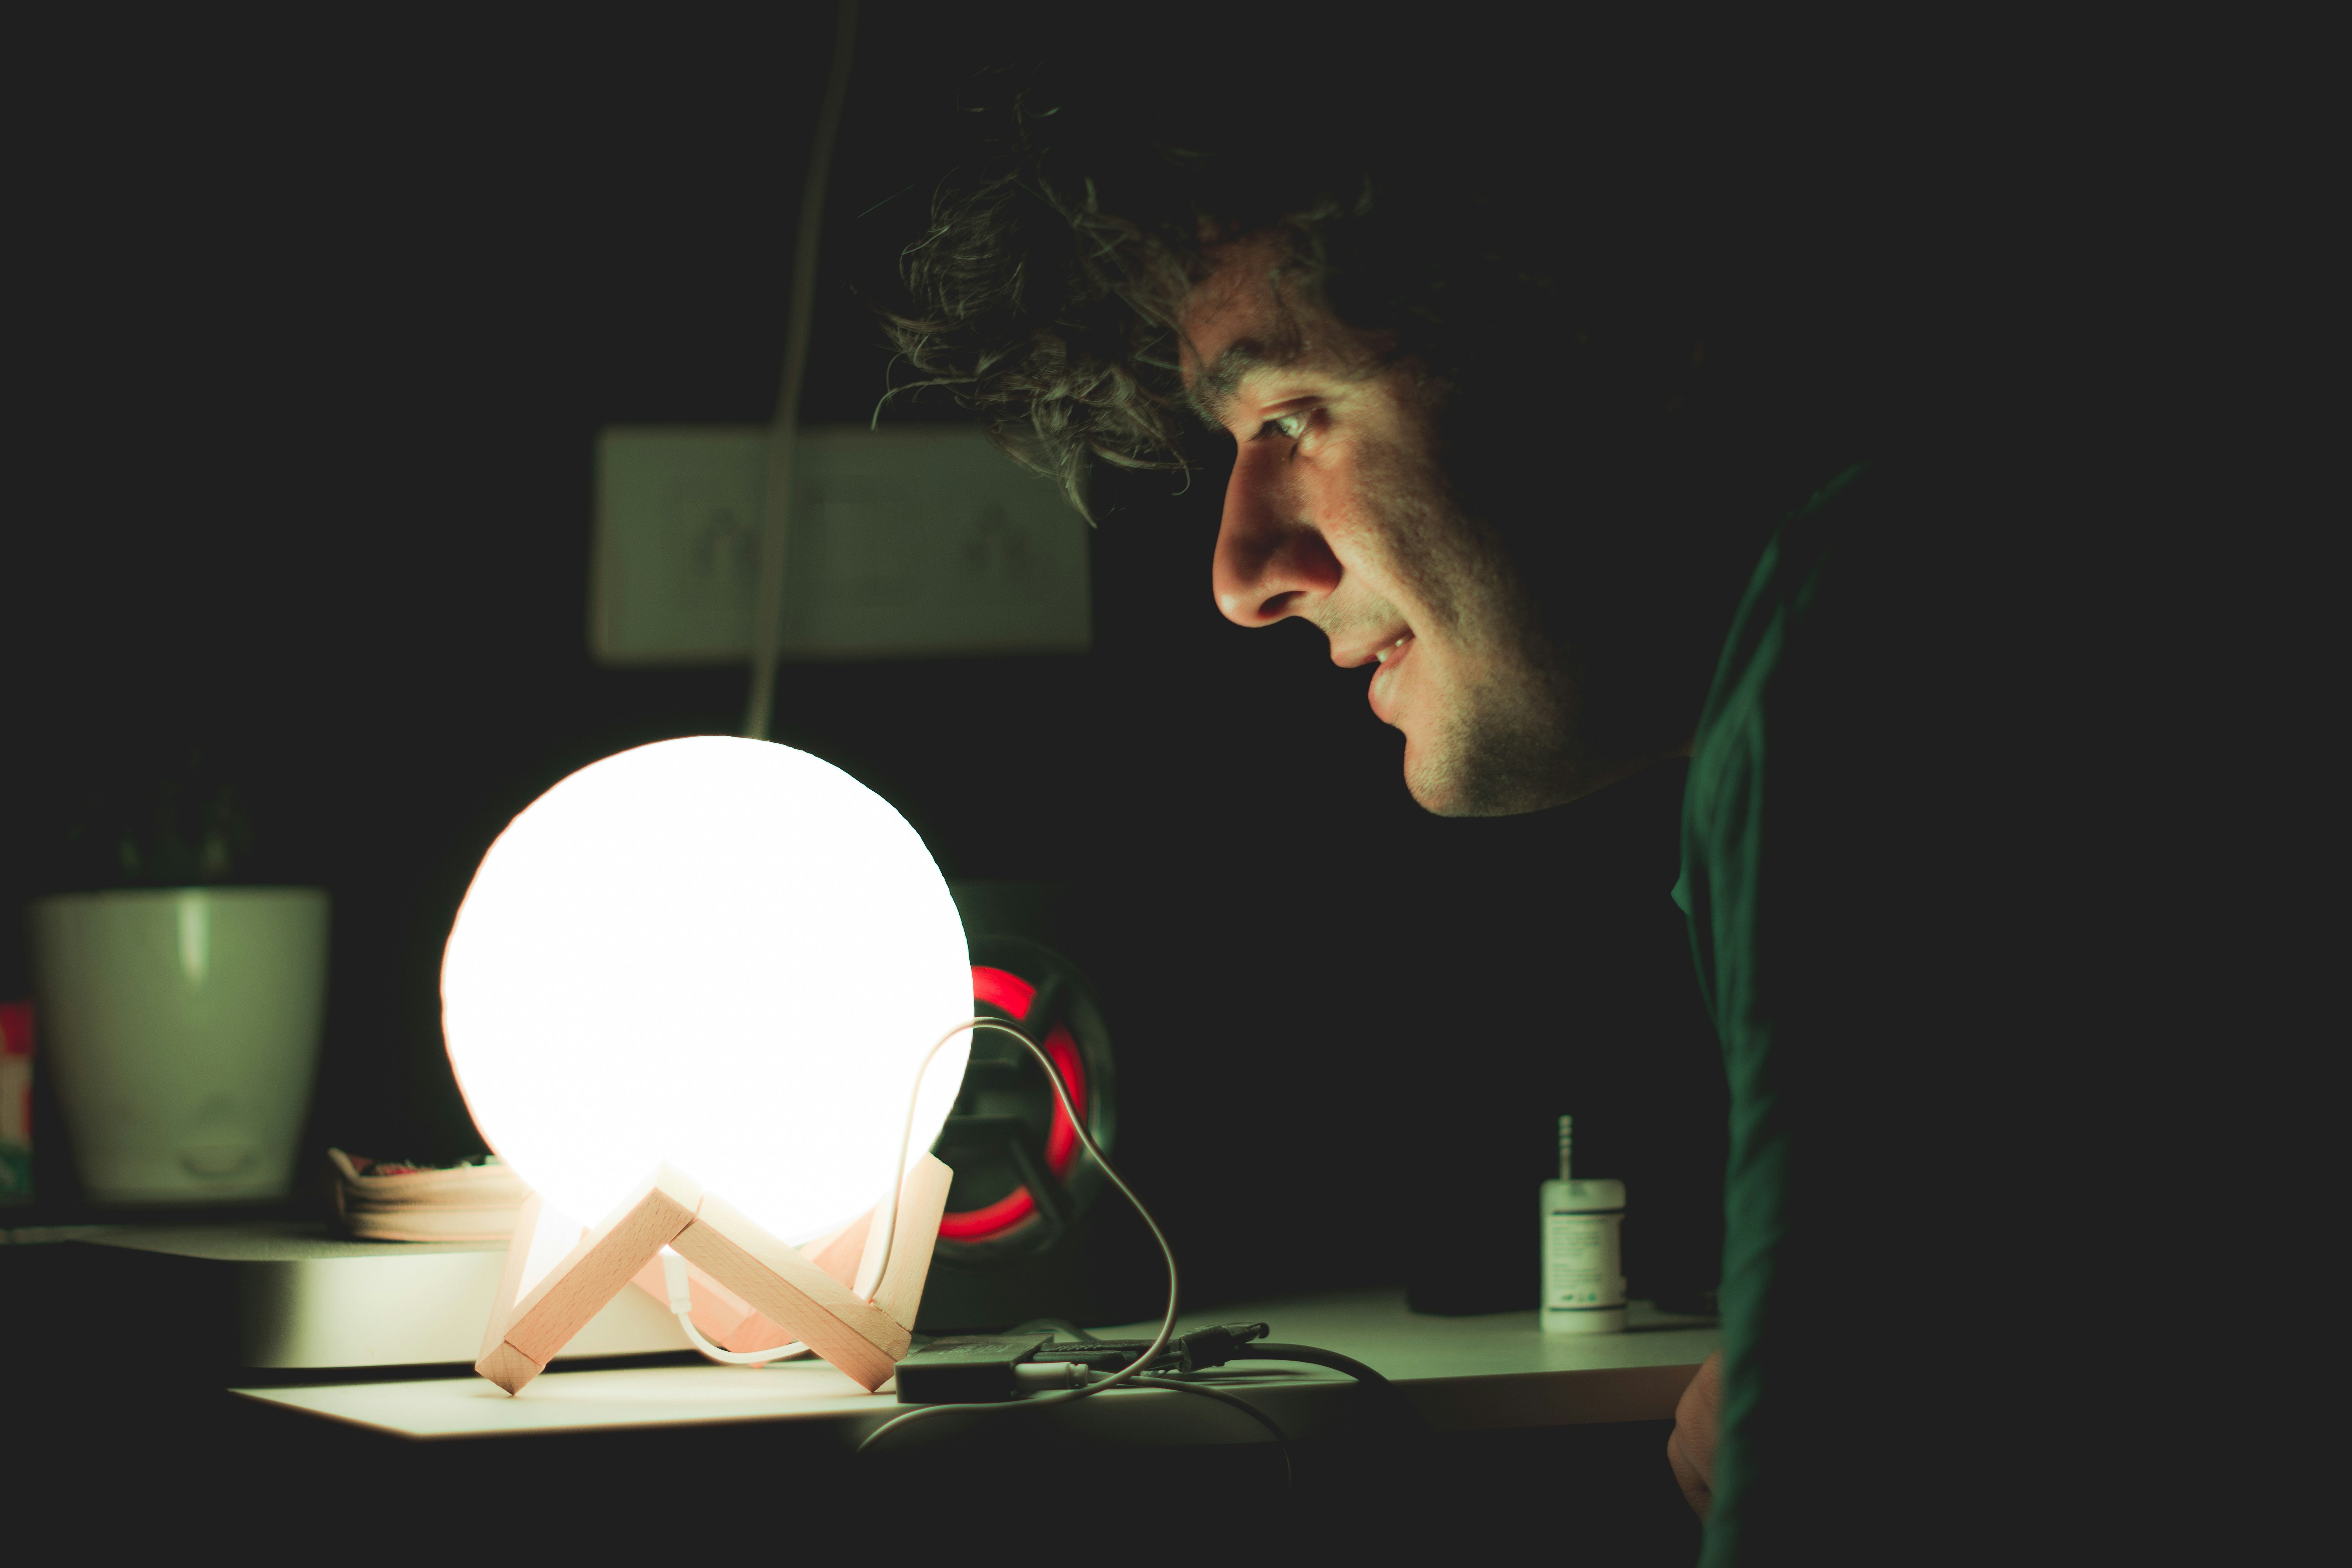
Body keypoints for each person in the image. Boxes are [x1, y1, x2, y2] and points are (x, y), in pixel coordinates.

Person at [878, 41, 2062, 1563]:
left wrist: (1823, 1412)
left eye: (1295, 414)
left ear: (1616, 323)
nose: (1242, 577)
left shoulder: (1865, 657)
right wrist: (1812, 1360)